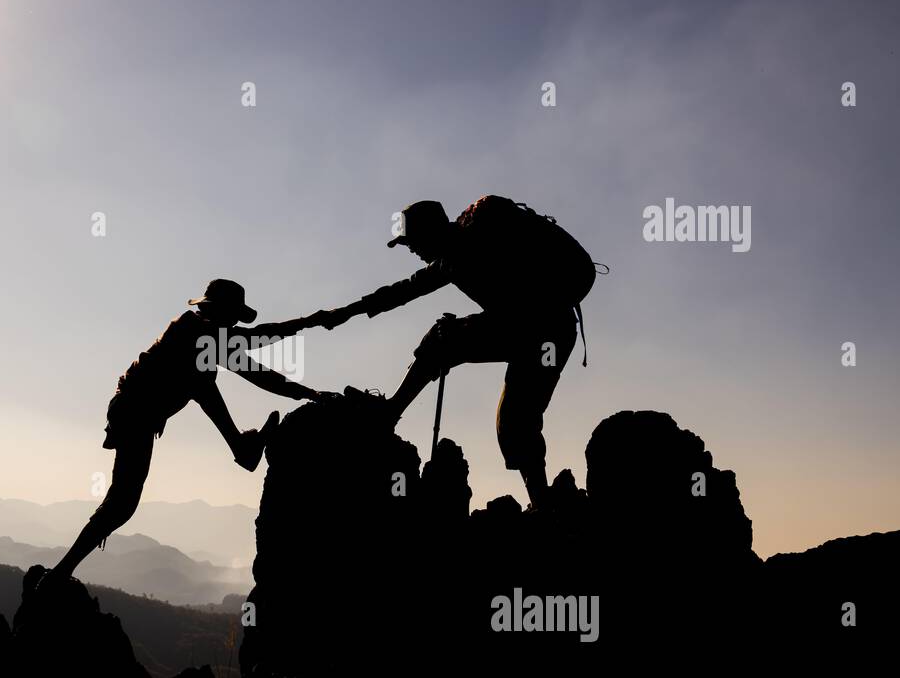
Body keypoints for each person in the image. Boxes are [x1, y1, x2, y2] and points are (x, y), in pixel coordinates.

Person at [311, 197, 593, 510]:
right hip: (539, 332)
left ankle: (390, 414)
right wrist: (346, 312)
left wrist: (346, 312)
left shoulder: (470, 241)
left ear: (428, 231)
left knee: (510, 412)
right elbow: (405, 289)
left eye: (412, 242)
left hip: (544, 331)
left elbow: (408, 289)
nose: (412, 251)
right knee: (514, 418)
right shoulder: (453, 254)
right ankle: (541, 503)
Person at [49, 279, 327, 580]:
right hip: (133, 414)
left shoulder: (204, 339)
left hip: (135, 414)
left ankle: (241, 448)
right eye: (231, 314)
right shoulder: (194, 331)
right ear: (217, 310)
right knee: (121, 505)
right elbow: (255, 350)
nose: (233, 321)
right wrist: (310, 329)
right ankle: (60, 573)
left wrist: (307, 388)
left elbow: (254, 363)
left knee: (202, 382)